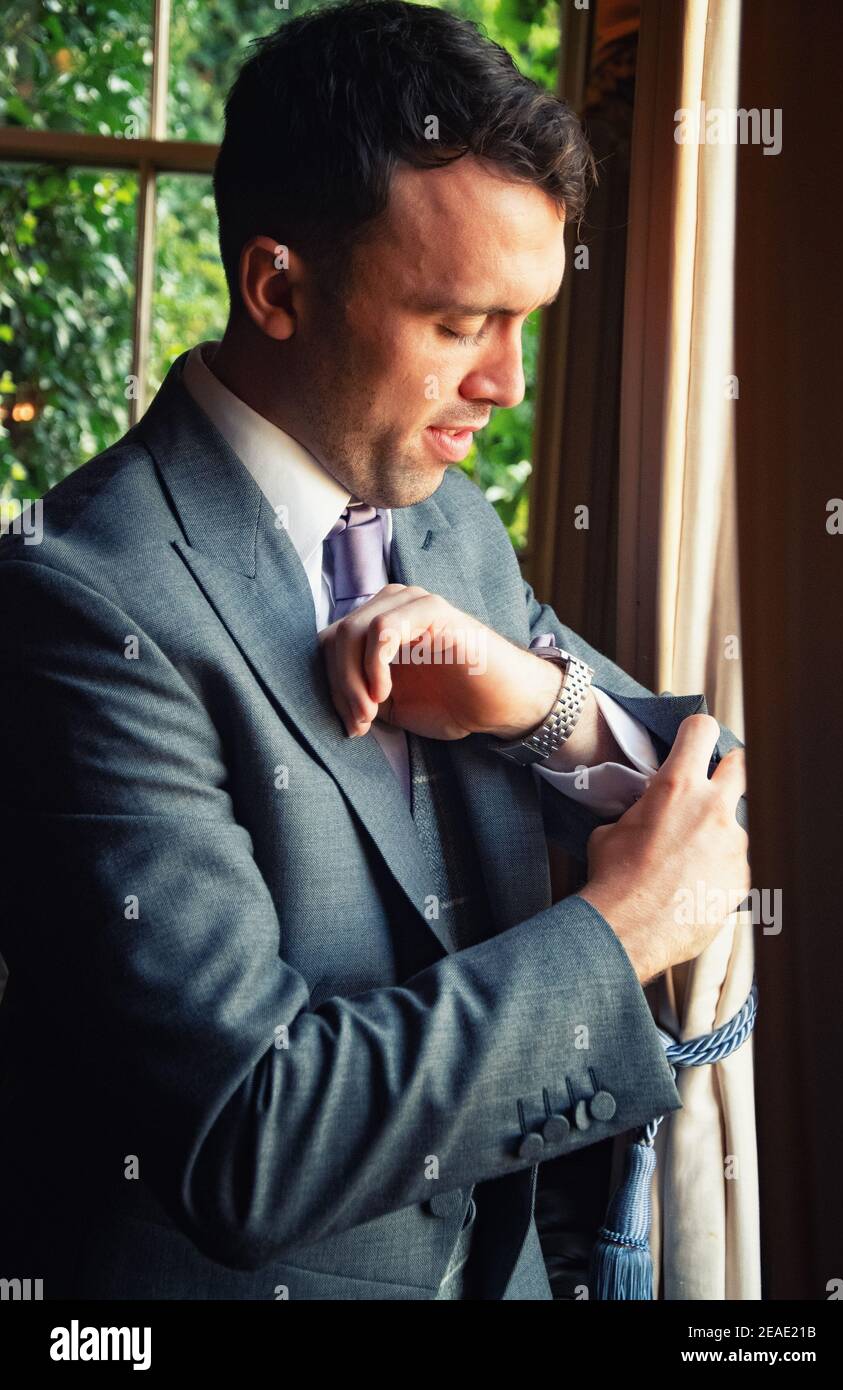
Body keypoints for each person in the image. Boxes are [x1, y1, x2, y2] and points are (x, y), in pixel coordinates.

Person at [0, 0, 748, 1300]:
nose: (509, 382)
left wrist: (545, 703)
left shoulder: (443, 518)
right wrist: (615, 935)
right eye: (461, 323)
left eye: (527, 319)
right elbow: (249, 1136)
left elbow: (712, 785)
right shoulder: (76, 596)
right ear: (279, 286)